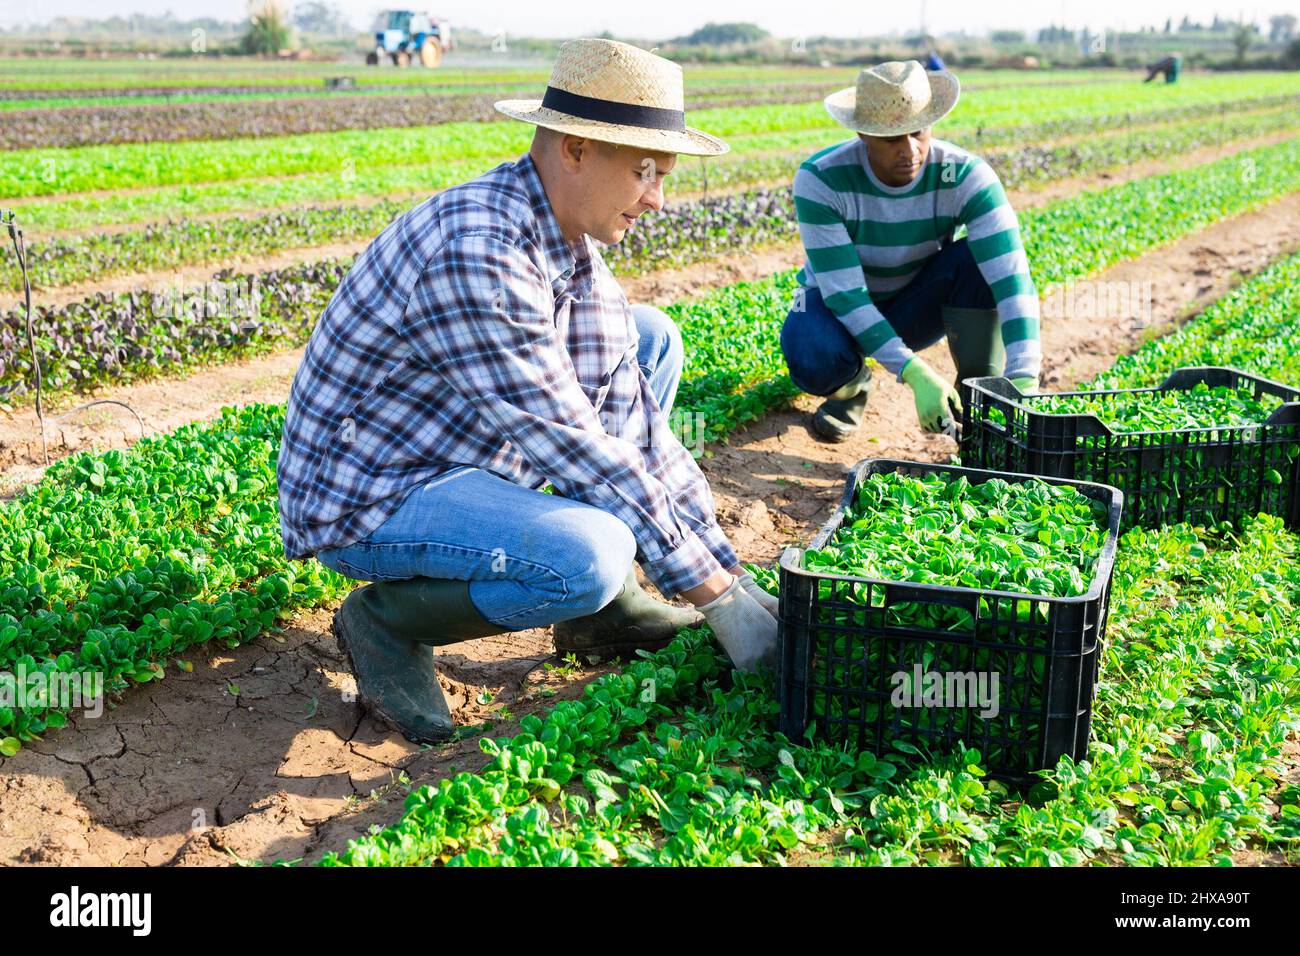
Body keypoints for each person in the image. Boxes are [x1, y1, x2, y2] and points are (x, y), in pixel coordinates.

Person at [276, 39, 779, 743]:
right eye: (644, 171)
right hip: (372, 492)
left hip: (460, 450)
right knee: (589, 554)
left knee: (649, 339)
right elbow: (572, 443)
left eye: (663, 174)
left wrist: (728, 574)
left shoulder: (571, 243)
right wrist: (720, 603)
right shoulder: (479, 250)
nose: (658, 199)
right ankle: (386, 622)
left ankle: (605, 613)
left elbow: (632, 421)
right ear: (575, 149)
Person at [780, 60, 1041, 442]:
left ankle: (976, 402)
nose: (910, 150)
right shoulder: (821, 179)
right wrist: (914, 372)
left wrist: (1023, 377)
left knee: (980, 262)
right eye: (891, 138)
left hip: (917, 304)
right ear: (862, 133)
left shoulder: (965, 175)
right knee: (811, 351)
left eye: (918, 132)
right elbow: (847, 297)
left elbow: (1012, 281)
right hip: (839, 311)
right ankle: (851, 390)